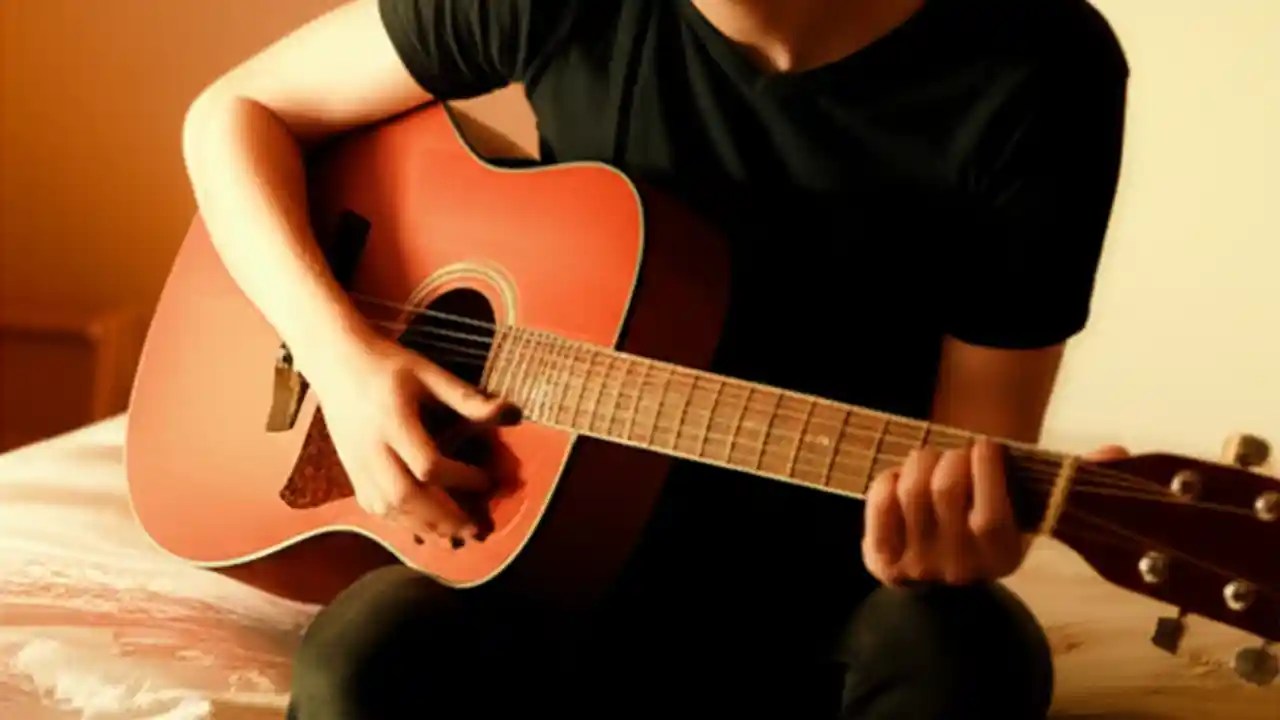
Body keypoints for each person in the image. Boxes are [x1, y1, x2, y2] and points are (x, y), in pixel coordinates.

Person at [180, 0, 1130, 717]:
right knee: (367, 655)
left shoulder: (1044, 63)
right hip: (539, 548)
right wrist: (338, 356)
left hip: (819, 585)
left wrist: (972, 535)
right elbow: (236, 111)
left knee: (967, 656)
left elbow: (981, 443)